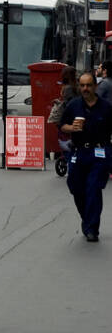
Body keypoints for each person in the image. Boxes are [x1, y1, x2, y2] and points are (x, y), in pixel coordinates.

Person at [58, 71, 112, 241]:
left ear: (95, 86)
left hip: (99, 153)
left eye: (89, 85)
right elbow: (61, 126)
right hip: (79, 152)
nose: (85, 88)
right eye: (82, 85)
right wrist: (72, 128)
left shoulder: (106, 107)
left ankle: (92, 229)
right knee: (75, 186)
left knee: (93, 188)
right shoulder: (74, 105)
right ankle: (87, 218)